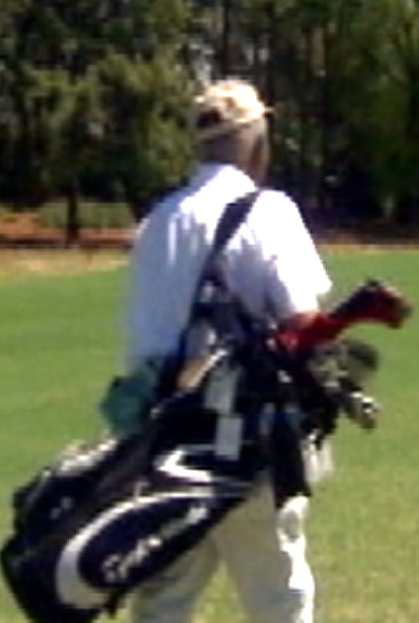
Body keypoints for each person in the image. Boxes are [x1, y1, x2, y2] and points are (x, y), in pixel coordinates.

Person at [118, 78, 333, 623]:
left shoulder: (157, 221)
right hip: (242, 438)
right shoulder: (269, 211)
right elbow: (300, 326)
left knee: (164, 599)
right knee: (279, 598)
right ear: (258, 140)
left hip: (159, 436)